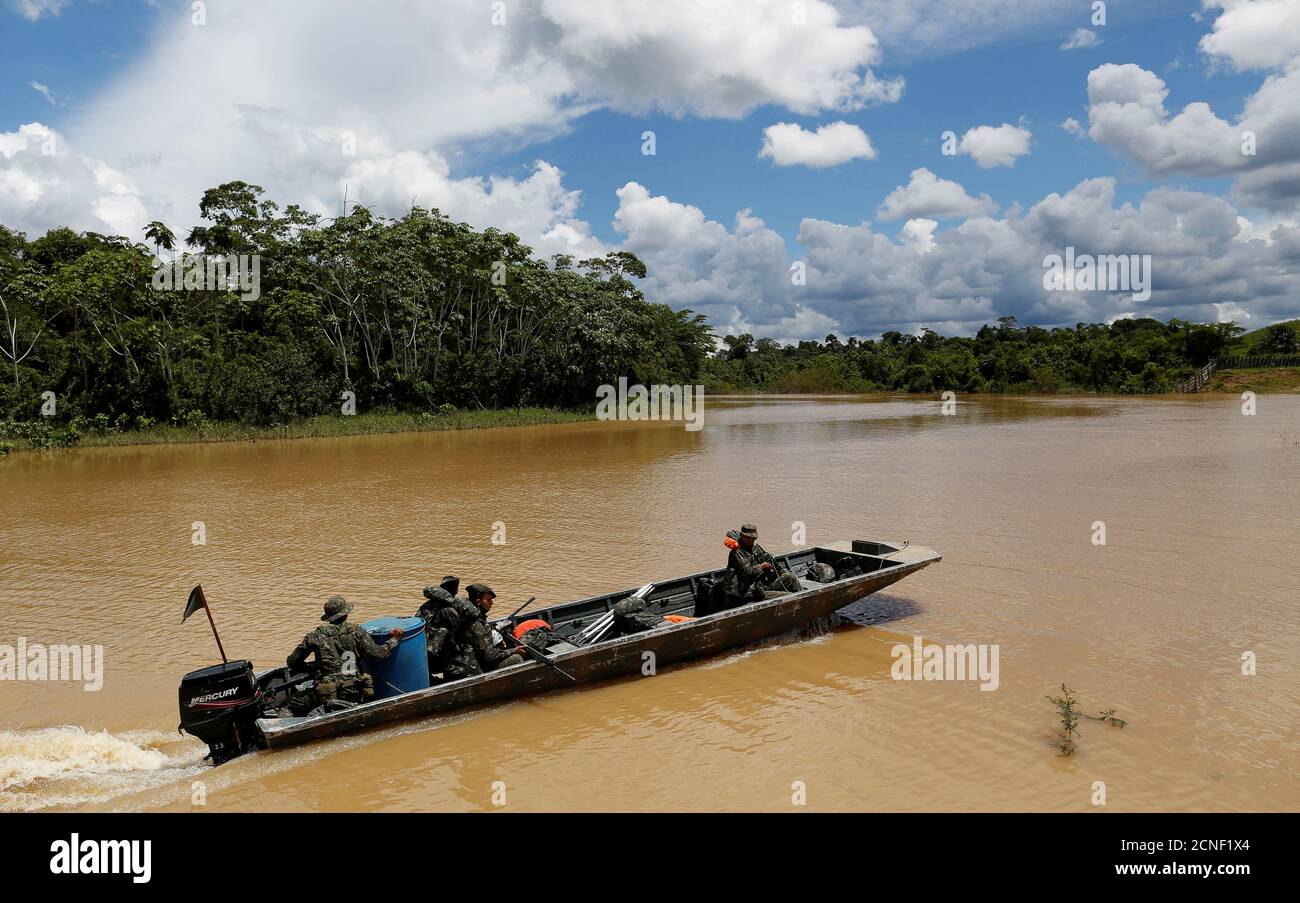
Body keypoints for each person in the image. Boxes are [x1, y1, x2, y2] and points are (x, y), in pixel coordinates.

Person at [286, 595, 403, 714]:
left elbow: (292, 662)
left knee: (290, 707)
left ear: (328, 617)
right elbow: (378, 654)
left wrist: (312, 668)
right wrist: (395, 639)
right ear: (346, 614)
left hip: (327, 693)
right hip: (354, 690)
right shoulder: (357, 631)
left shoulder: (315, 636)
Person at [440, 583, 526, 680]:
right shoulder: (475, 623)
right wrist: (513, 650)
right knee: (517, 658)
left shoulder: (460, 615)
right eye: (488, 600)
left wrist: (495, 629)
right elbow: (490, 656)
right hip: (468, 672)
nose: (492, 603)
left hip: (452, 667)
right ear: (478, 602)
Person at [722, 523, 801, 608]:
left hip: (760, 587)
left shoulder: (756, 550)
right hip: (748, 593)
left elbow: (771, 565)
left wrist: (775, 570)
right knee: (790, 597)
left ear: (755, 538)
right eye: (745, 537)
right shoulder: (737, 552)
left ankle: (805, 600)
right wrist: (763, 566)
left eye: (750, 538)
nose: (747, 540)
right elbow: (748, 572)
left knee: (790, 577)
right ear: (741, 536)